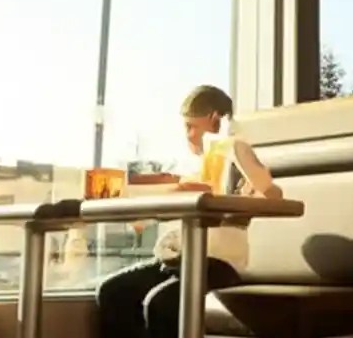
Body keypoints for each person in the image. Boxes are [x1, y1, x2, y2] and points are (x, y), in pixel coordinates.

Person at [96, 85, 279, 338]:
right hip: (178, 260)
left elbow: (273, 195)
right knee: (112, 292)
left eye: (191, 127)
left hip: (216, 265)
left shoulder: (235, 151)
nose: (188, 135)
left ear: (215, 120)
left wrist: (242, 168)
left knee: (161, 304)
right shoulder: (195, 168)